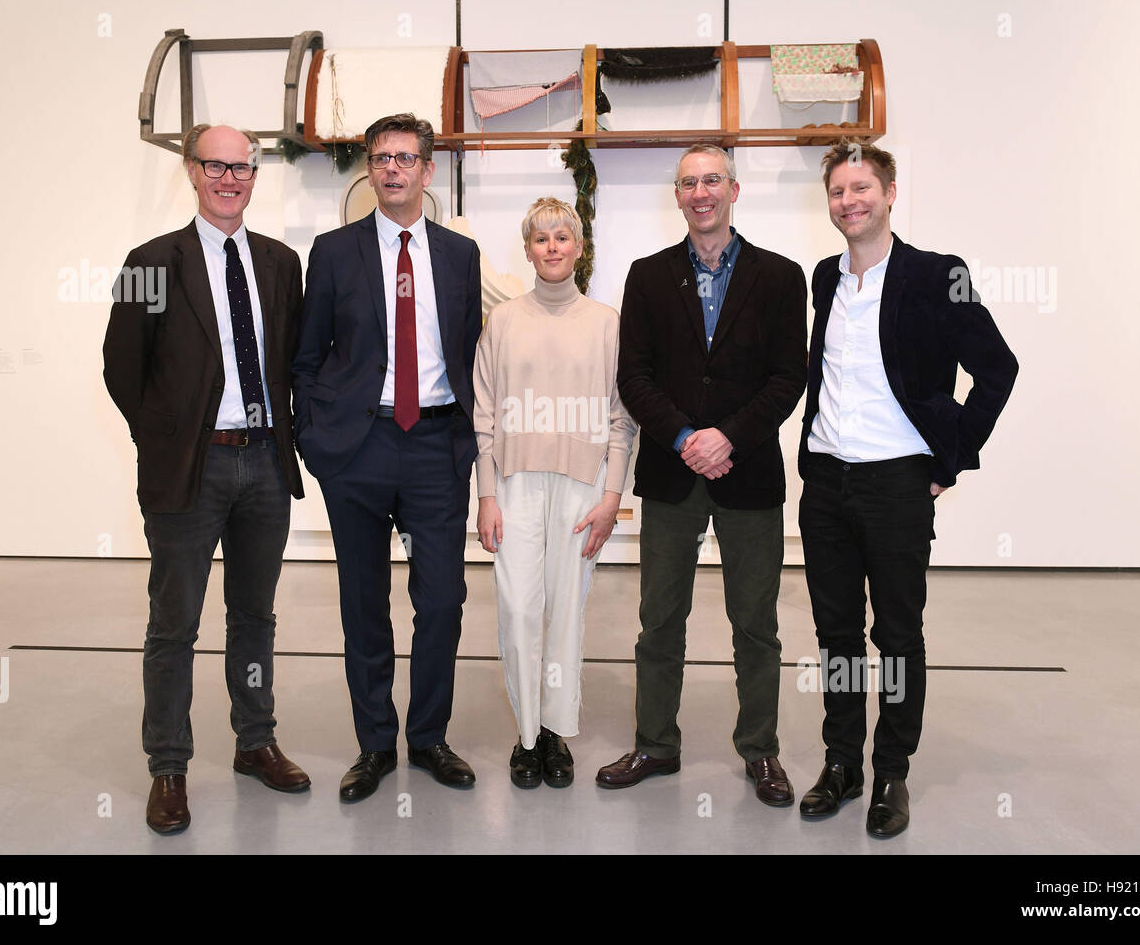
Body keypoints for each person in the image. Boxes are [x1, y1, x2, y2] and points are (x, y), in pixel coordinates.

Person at [797, 139, 1018, 837]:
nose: (849, 201)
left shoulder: (938, 274)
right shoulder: (824, 278)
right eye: (838, 191)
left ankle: (892, 769)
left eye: (862, 188)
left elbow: (998, 368)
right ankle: (841, 763)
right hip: (827, 482)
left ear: (890, 193)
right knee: (836, 638)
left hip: (896, 483)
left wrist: (947, 460)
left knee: (895, 636)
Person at [103, 124, 310, 836]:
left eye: (242, 167)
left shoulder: (283, 265)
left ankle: (255, 741)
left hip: (263, 463)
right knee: (174, 626)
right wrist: (170, 440)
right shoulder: (148, 262)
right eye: (216, 165)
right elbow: (121, 371)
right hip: (191, 469)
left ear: (255, 176)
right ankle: (169, 765)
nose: (230, 178)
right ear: (192, 172)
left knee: (255, 618)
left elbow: (292, 363)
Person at [597, 144, 807, 807]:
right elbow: (634, 378)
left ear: (734, 190)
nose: (700, 192)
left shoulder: (779, 277)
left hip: (748, 474)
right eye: (688, 182)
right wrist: (687, 437)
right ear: (679, 196)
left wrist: (729, 437)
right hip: (671, 473)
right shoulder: (648, 276)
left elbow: (788, 377)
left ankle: (762, 752)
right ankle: (655, 743)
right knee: (660, 619)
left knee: (756, 624)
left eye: (711, 179)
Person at [292, 113, 483, 802]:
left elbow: (469, 354)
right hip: (359, 447)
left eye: (406, 158)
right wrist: (316, 439)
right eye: (381, 158)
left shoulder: (460, 257)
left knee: (443, 602)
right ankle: (375, 744)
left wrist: (467, 441)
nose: (392, 169)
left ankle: (428, 737)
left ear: (428, 171)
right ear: (369, 169)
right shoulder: (335, 252)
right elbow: (308, 357)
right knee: (363, 603)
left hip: (435, 446)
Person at [474, 198, 637, 789]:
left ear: (579, 247)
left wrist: (612, 494)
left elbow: (622, 418)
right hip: (515, 484)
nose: (552, 247)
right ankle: (525, 733)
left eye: (562, 237)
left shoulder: (606, 322)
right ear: (527, 249)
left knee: (566, 611)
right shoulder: (503, 321)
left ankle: (555, 734)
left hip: (582, 485)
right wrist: (486, 493)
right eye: (541, 239)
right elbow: (485, 413)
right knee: (519, 610)